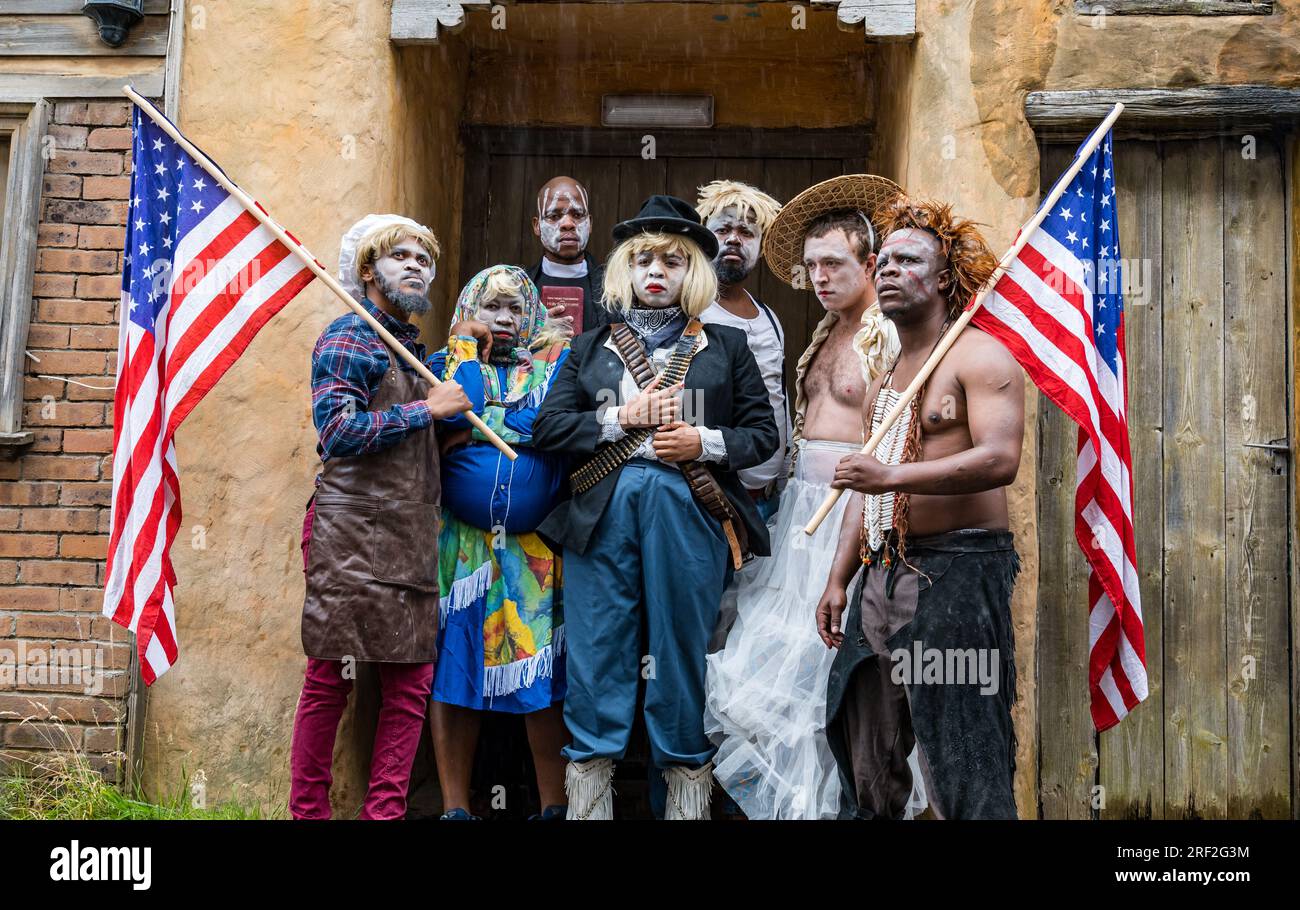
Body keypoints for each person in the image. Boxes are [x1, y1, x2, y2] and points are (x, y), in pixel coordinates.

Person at [532, 195, 779, 820]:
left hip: (688, 513)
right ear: (625, 270)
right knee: (596, 655)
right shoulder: (590, 348)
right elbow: (548, 428)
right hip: (601, 515)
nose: (656, 271)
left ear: (691, 270)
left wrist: (706, 441)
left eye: (672, 260)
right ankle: (589, 807)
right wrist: (617, 418)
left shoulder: (726, 345)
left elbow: (762, 434)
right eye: (643, 259)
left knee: (681, 655)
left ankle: (686, 806)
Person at [705, 175, 920, 819]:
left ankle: (837, 806)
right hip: (798, 507)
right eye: (811, 267)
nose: (820, 278)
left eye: (834, 264)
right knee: (771, 667)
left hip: (850, 513)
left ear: (870, 264)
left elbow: (887, 442)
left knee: (833, 671)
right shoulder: (820, 332)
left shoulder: (886, 338)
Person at [818, 197, 1025, 819]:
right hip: (880, 573)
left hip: (958, 571)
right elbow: (864, 483)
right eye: (882, 259)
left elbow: (999, 459)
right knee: (866, 750)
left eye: (908, 260)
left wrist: (892, 474)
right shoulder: (886, 372)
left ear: (942, 278)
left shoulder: (979, 357)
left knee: (961, 745)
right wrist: (838, 577)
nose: (885, 269)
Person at [291, 214, 471, 820]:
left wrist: (439, 428)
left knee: (411, 683)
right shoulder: (350, 337)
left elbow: (402, 441)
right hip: (349, 534)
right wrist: (427, 412)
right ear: (368, 271)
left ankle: (384, 816)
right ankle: (309, 814)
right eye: (401, 256)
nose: (417, 266)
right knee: (330, 679)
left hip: (406, 535)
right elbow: (337, 431)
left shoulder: (410, 351)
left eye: (425, 258)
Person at [426, 265, 572, 821]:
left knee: (540, 675)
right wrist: (465, 345)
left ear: (532, 314)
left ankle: (553, 807)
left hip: (532, 553)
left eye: (516, 308)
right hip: (463, 552)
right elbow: (445, 410)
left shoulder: (556, 364)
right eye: (491, 308)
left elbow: (548, 421)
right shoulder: (446, 363)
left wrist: (492, 419)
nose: (505, 319)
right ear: (469, 311)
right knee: (455, 665)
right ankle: (455, 808)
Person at [695, 180, 789, 524]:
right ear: (704, 240)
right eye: (723, 229)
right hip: (711, 496)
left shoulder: (769, 318)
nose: (735, 238)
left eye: (747, 232)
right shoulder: (691, 313)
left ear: (761, 248)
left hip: (769, 500)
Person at [526, 176, 610, 334]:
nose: (568, 224)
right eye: (554, 216)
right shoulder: (519, 287)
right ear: (537, 226)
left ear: (590, 223)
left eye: (577, 215)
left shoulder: (615, 289)